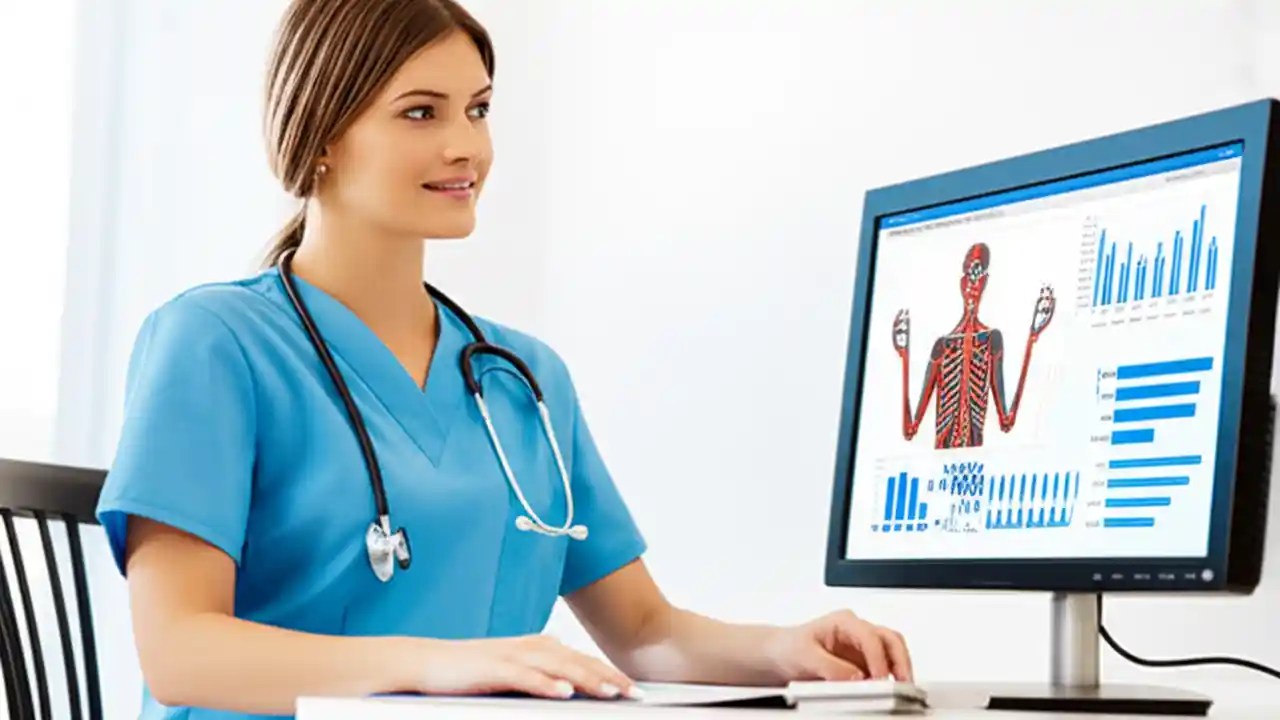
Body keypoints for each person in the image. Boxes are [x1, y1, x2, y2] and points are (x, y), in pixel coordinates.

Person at [95, 1, 913, 718]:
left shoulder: (522, 378)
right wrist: (441, 667)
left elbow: (644, 633)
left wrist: (784, 649)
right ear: (319, 137)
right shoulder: (215, 343)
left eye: (478, 110)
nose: (467, 148)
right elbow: (180, 651)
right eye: (421, 113)